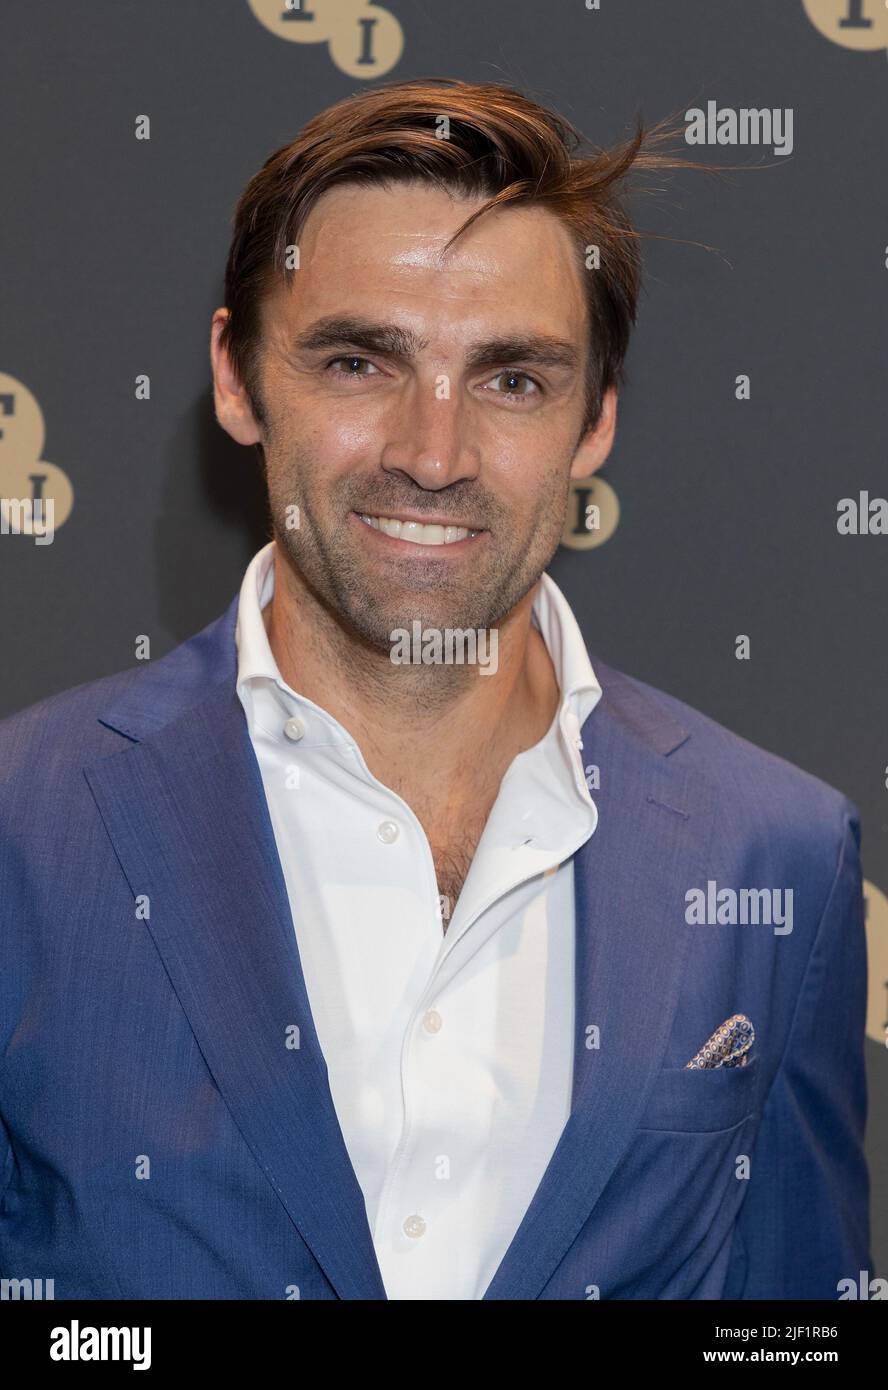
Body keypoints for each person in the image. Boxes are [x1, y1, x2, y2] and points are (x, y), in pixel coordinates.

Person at [0, 78, 870, 1301]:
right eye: (360, 361)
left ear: (595, 423)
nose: (432, 453)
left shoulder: (774, 855)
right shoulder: (24, 831)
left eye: (513, 378)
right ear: (240, 379)